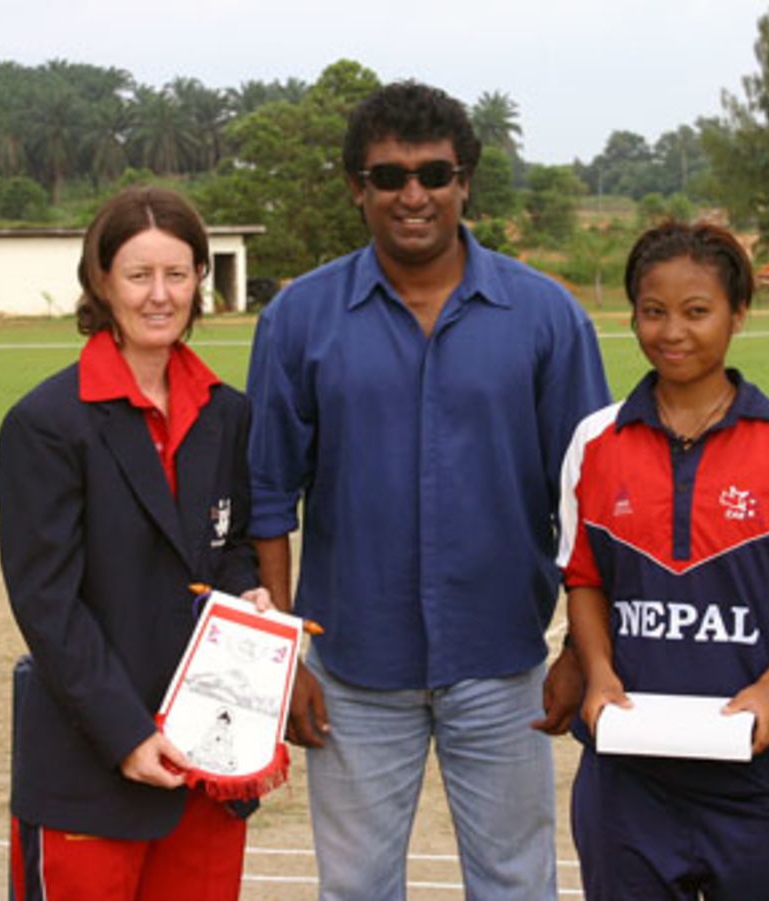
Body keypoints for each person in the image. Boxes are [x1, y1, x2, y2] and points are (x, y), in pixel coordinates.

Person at [246, 81, 611, 900]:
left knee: (516, 883)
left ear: (464, 181)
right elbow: (270, 496)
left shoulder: (546, 316)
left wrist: (582, 651)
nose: (413, 195)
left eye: (434, 173)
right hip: (350, 669)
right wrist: (282, 662)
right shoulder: (298, 318)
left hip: (504, 663)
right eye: (388, 176)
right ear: (357, 188)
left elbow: (594, 501)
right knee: (356, 887)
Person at [557, 221, 769, 899]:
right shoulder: (595, 440)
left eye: (697, 312)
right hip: (627, 785)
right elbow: (584, 581)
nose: (673, 332)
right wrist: (599, 675)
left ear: (737, 314)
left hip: (761, 781)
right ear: (632, 312)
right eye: (653, 311)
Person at [0, 186, 270, 901]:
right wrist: (125, 733)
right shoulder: (46, 423)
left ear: (200, 281)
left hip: (208, 770)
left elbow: (229, 542)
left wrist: (249, 595)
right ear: (101, 282)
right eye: (138, 275)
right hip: (90, 766)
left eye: (177, 274)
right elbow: (47, 604)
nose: (160, 295)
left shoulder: (228, 411)